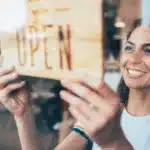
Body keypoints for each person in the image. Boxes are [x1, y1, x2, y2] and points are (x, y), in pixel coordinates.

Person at [0, 25, 150, 150]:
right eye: (129, 48)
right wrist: (23, 114)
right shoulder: (102, 113)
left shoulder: (107, 120)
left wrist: (113, 141)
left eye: (148, 50)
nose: (133, 59)